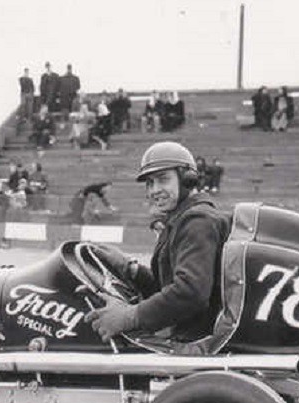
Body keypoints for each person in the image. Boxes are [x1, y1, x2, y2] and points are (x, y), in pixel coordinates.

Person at [84, 141, 232, 349]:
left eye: (163, 180)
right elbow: (169, 285)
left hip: (197, 343)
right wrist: (131, 269)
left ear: (187, 180)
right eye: (150, 183)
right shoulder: (182, 219)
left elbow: (190, 293)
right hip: (190, 335)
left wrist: (130, 316)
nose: (154, 190)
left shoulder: (198, 221)